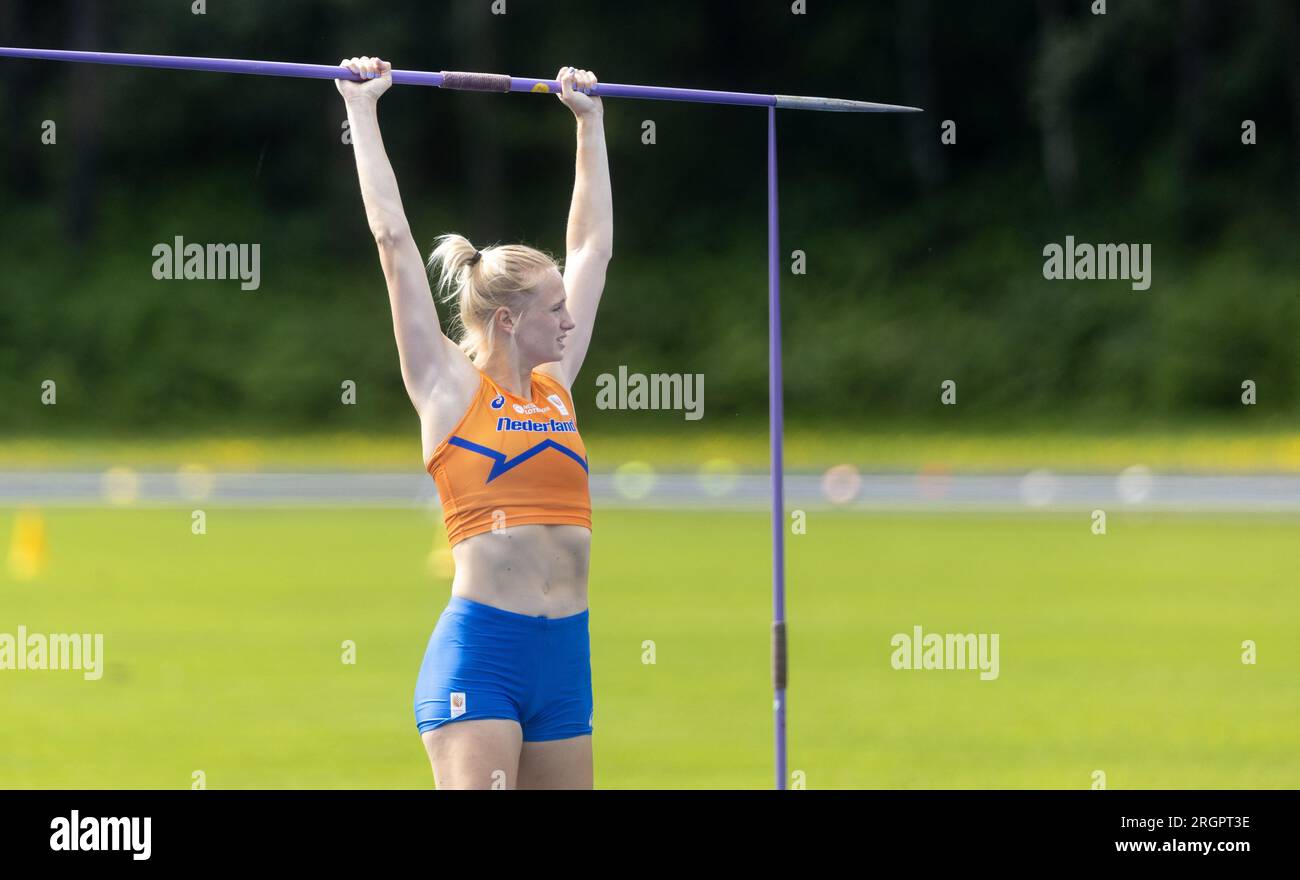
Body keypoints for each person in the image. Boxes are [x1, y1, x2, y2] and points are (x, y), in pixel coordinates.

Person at [336, 56, 612, 789]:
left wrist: (590, 126)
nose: (570, 318)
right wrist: (363, 110)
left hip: (566, 662)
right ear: (508, 320)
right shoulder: (447, 390)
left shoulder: (555, 387)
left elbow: (591, 248)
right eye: (555, 309)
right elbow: (395, 246)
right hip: (483, 657)